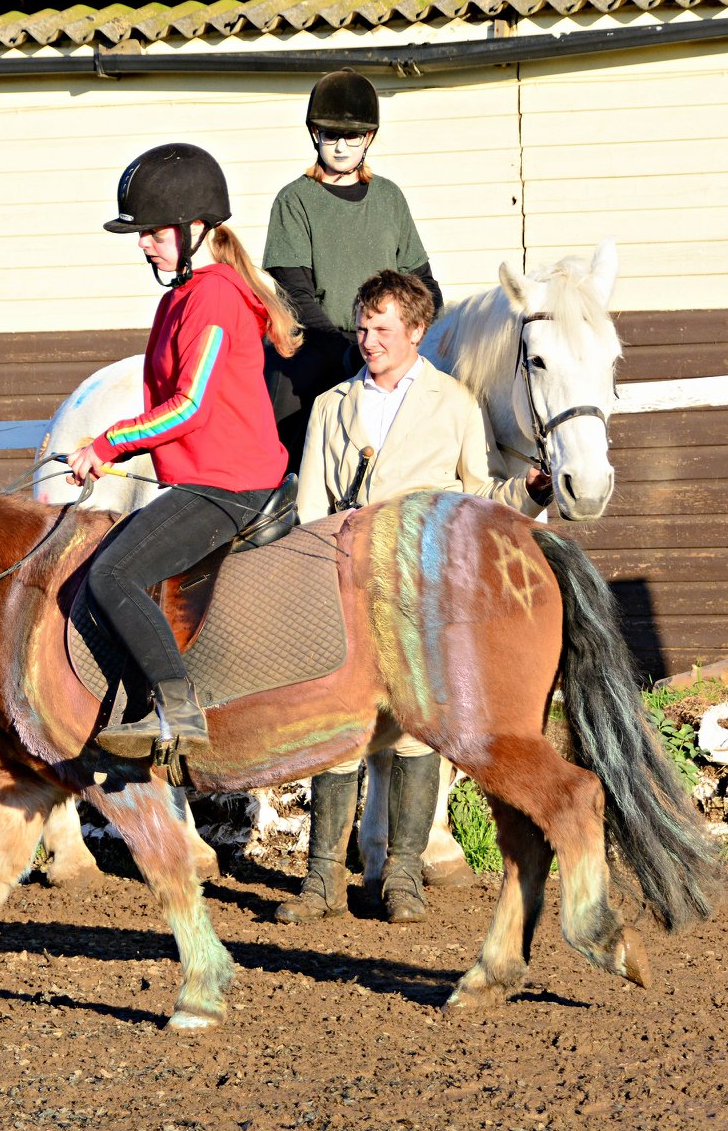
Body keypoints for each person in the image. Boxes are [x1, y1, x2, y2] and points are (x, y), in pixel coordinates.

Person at [278, 269, 551, 925]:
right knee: (341, 730)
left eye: (381, 329)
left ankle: (401, 880)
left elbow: (481, 498)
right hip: (349, 585)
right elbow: (311, 504)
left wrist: (532, 495)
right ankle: (320, 883)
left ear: (417, 333)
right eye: (363, 328)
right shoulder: (330, 406)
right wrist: (320, 580)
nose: (368, 340)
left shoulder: (455, 405)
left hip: (425, 590)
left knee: (413, 736)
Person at [66, 143, 300, 762]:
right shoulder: (181, 296)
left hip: (230, 486)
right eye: (140, 233)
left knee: (113, 574)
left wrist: (107, 443)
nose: (143, 243)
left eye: (151, 231)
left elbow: (189, 406)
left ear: (195, 228)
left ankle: (178, 707)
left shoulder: (215, 297)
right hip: (202, 480)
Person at [263, 68, 445, 470]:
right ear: (316, 135)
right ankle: (278, 497)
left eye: (352, 136)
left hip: (384, 347)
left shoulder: (389, 198)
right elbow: (296, 294)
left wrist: (411, 338)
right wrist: (348, 350)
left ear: (369, 138)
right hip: (316, 346)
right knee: (288, 437)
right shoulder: (294, 200)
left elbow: (424, 285)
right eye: (330, 135)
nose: (341, 146)